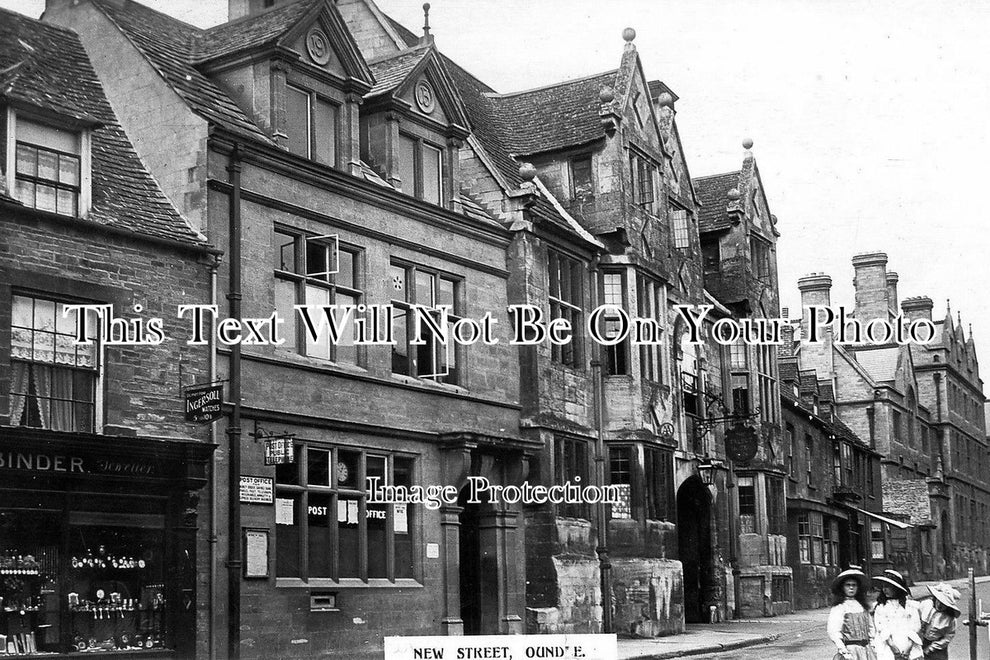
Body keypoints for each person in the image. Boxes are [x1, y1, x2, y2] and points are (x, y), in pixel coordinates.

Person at [827, 567, 877, 660]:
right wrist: (843, 649)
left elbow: (871, 628)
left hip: (867, 650)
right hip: (850, 651)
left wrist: (873, 645)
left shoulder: (863, 606)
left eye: (854, 585)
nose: (851, 588)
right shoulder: (840, 607)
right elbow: (833, 631)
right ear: (842, 587)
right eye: (848, 585)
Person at [873, 570, 923, 660]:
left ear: (896, 588)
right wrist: (893, 647)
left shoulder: (910, 606)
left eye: (888, 587)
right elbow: (881, 628)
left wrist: (908, 648)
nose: (884, 589)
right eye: (883, 587)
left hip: (908, 644)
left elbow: (915, 627)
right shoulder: (881, 607)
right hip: (888, 645)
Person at [917, 583, 961, 659]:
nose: (940, 605)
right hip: (921, 641)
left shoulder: (950, 618)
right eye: (939, 601)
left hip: (937, 646)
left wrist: (932, 647)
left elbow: (949, 636)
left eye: (943, 604)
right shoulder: (926, 604)